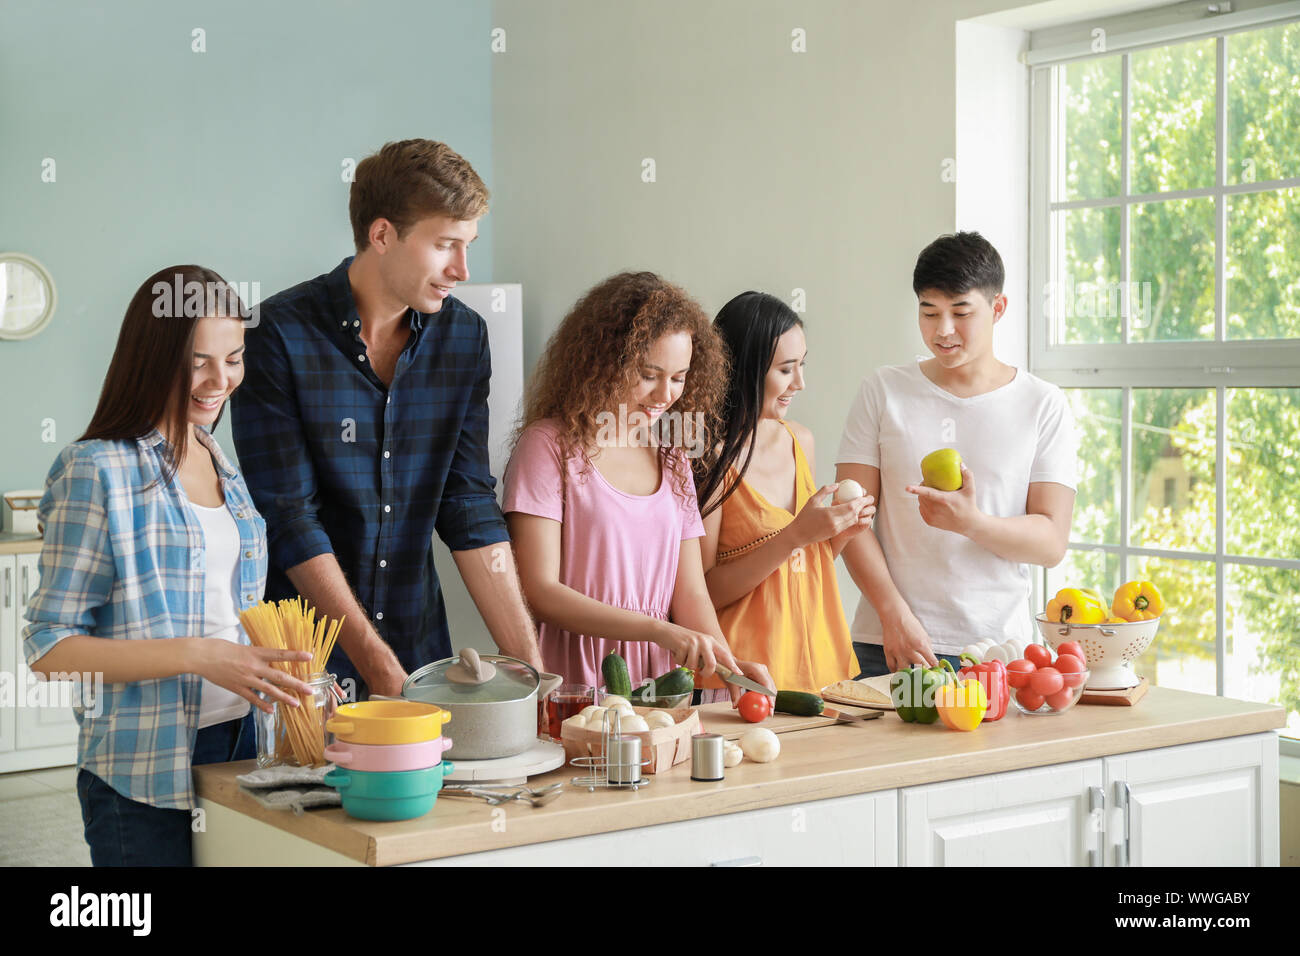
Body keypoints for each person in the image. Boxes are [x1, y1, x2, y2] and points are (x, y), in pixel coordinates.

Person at [23, 266, 315, 866]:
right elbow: (50, 650)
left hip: (240, 744)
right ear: (153, 356)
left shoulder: (216, 456)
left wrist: (289, 677)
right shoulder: (95, 469)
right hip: (141, 768)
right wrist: (199, 654)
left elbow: (233, 609)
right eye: (199, 361)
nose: (220, 380)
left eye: (233, 358)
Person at [231, 139, 541, 700]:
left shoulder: (464, 338)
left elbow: (467, 502)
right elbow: (290, 518)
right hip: (305, 666)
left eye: (468, 245)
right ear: (382, 235)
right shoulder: (277, 335)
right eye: (445, 244)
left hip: (419, 653)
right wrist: (377, 668)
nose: (462, 269)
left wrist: (532, 674)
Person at [503, 272, 773, 699]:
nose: (666, 394)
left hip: (660, 683)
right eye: (649, 374)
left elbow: (690, 594)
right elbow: (540, 591)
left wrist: (729, 665)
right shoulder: (548, 447)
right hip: (574, 679)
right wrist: (656, 629)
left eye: (680, 377)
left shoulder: (673, 455)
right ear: (604, 361)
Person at [835, 232, 1078, 677]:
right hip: (888, 643)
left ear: (997, 308)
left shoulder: (1042, 404)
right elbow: (849, 518)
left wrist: (971, 523)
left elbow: (1050, 542)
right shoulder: (883, 391)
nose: (942, 330)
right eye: (929, 312)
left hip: (998, 652)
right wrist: (894, 615)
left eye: (960, 312)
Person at [694, 292, 873, 694]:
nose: (800, 383)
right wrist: (795, 535)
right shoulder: (711, 458)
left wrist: (839, 534)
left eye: (802, 365)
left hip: (818, 666)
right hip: (744, 677)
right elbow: (702, 592)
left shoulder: (800, 441)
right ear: (743, 369)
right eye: (786, 369)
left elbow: (804, 565)